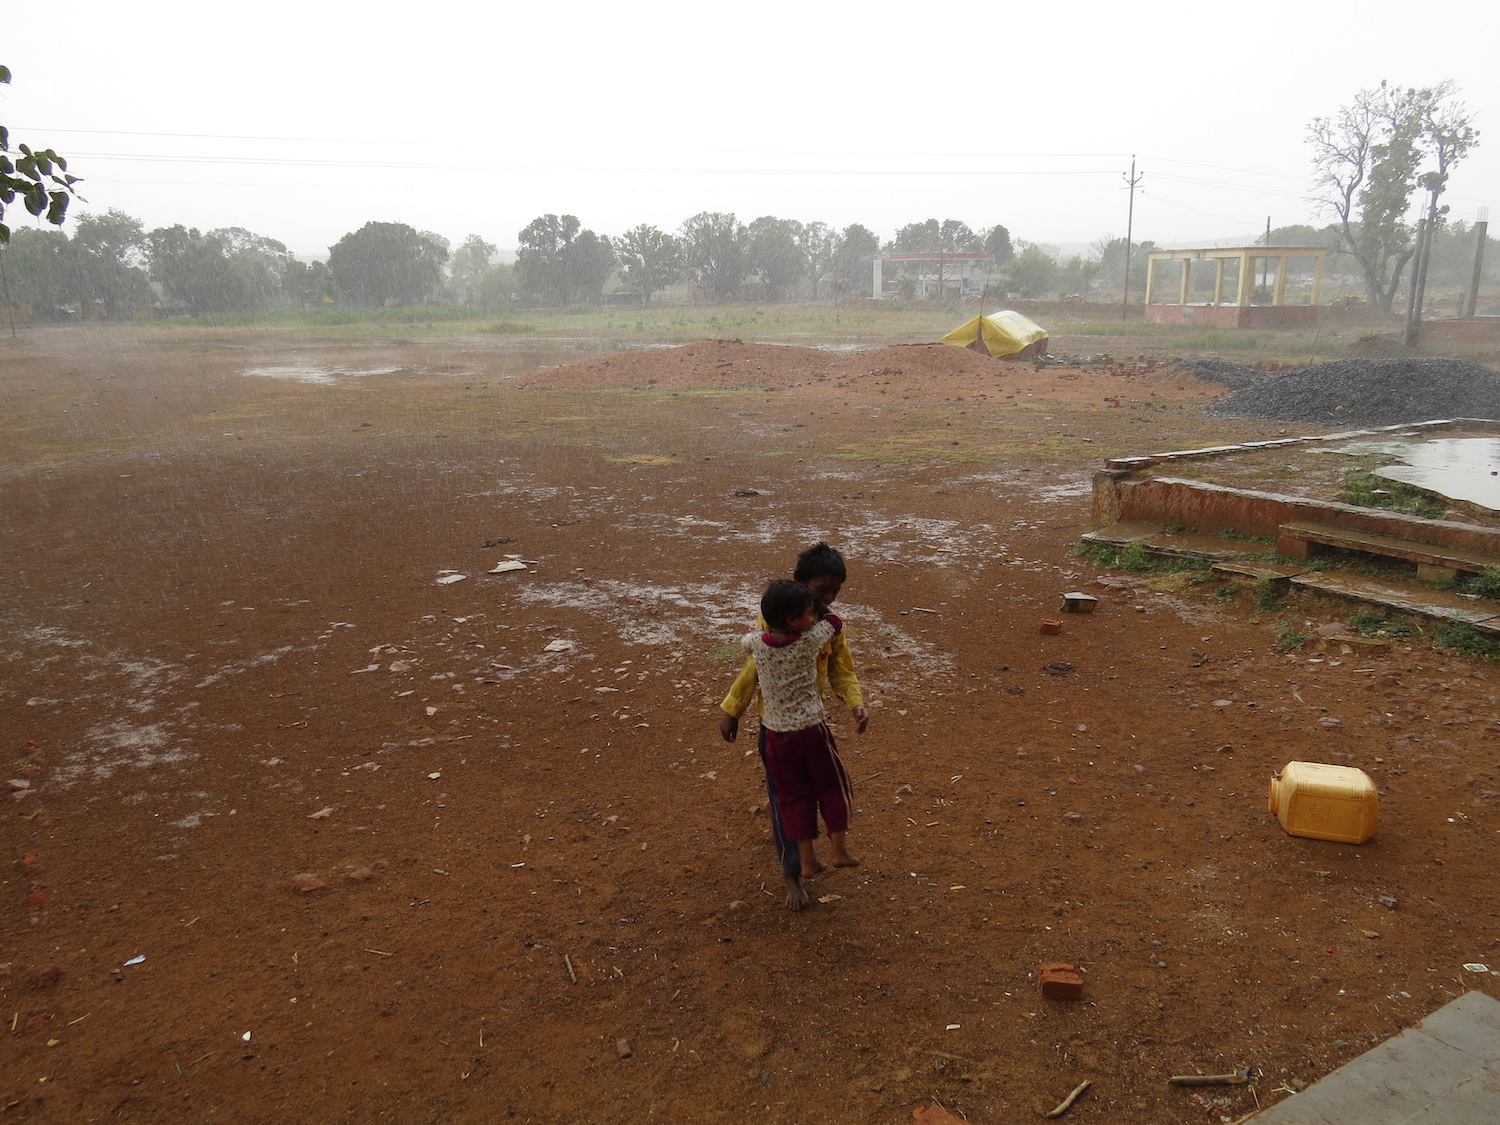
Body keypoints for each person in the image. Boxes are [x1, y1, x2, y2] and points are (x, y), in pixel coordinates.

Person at [720, 543, 868, 909]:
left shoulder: (825, 627)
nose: (828, 599)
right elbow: (753, 669)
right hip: (776, 731)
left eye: (835, 591)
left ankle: (809, 859)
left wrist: (855, 703)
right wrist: (733, 709)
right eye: (821, 590)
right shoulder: (780, 620)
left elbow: (842, 669)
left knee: (803, 795)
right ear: (801, 584)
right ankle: (792, 874)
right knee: (785, 799)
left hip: (807, 730)